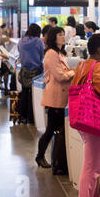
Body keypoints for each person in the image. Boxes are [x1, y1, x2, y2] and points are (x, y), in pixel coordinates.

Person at [71, 33, 100, 197]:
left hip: (84, 120)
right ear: (99, 50)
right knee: (93, 168)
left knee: (91, 165)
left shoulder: (83, 65)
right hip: (96, 122)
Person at [36, 27, 75, 170]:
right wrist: (73, 72)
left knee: (55, 128)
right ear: (53, 37)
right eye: (60, 34)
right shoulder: (51, 53)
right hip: (55, 97)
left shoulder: (60, 53)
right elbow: (60, 76)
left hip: (60, 96)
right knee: (51, 129)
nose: (63, 37)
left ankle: (54, 158)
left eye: (64, 34)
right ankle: (40, 156)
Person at [18, 24, 44, 125]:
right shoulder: (38, 41)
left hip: (24, 71)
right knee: (32, 95)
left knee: (24, 93)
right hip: (35, 71)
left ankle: (22, 117)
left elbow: (20, 54)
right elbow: (42, 55)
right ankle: (31, 118)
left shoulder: (21, 41)